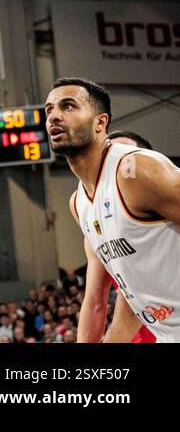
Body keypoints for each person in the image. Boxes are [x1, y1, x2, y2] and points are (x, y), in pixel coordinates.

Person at [48, 77, 180, 343]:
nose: (54, 116)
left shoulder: (136, 170)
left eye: (68, 106)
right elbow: (112, 298)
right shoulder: (79, 203)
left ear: (101, 122)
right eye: (49, 109)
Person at [76, 129, 157, 343]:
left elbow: (139, 292)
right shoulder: (91, 215)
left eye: (124, 158)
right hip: (138, 333)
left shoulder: (163, 202)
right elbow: (94, 302)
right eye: (109, 158)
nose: (117, 167)